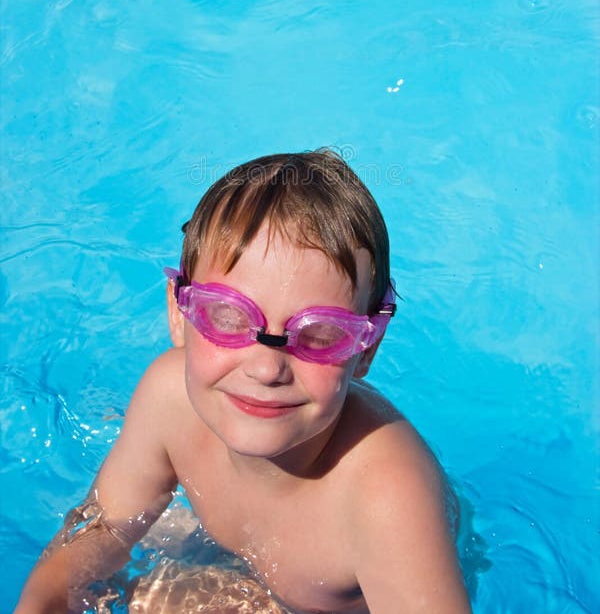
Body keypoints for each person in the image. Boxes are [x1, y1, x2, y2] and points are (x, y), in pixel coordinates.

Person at [16, 150, 471, 613]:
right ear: (180, 313)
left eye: (320, 334)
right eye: (229, 318)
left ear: (366, 348)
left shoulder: (385, 496)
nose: (266, 368)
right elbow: (104, 531)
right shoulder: (169, 399)